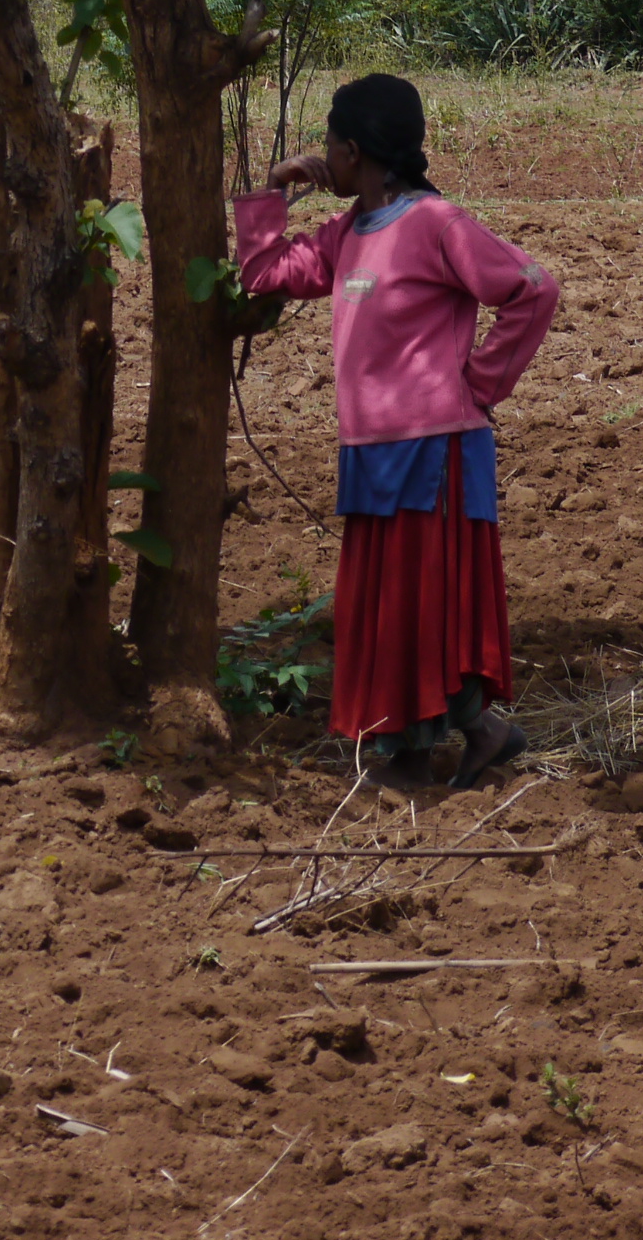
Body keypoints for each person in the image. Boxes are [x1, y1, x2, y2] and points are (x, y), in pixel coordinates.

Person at [237, 74, 560, 789]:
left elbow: (532, 289)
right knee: (391, 611)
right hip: (372, 451)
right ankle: (466, 735)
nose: (321, 155)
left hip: (436, 450)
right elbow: (262, 273)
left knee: (425, 605)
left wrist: (479, 385)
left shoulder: (437, 224)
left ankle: (433, 748)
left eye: (326, 144)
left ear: (353, 151)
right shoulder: (346, 233)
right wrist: (273, 190)